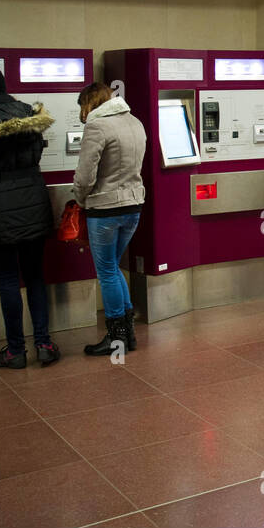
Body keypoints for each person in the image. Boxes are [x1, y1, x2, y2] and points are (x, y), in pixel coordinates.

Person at [0, 53, 60, 369]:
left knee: (7, 278)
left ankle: (16, 350)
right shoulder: (31, 116)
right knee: (35, 276)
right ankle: (44, 343)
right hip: (33, 202)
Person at [71, 82, 147, 356]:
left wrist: (79, 198)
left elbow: (85, 175)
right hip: (134, 206)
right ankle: (129, 335)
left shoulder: (97, 127)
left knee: (106, 272)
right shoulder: (135, 122)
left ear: (89, 103)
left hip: (105, 209)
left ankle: (117, 338)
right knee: (114, 268)